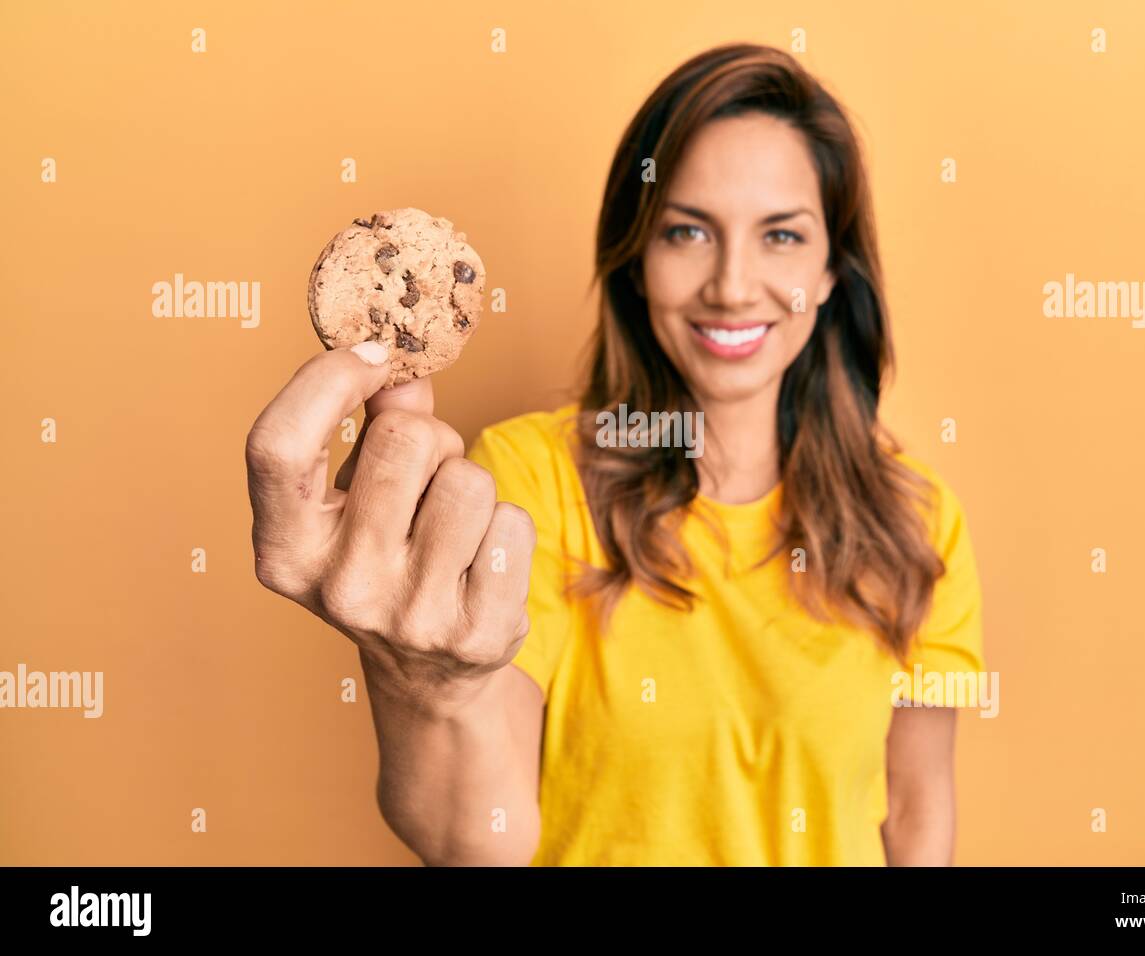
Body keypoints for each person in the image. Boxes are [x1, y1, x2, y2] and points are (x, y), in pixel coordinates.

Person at [244, 42, 985, 866]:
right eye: (687, 231)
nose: (734, 285)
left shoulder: (921, 521)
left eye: (781, 235)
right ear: (635, 260)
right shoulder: (529, 480)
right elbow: (477, 842)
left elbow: (918, 816)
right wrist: (422, 682)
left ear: (835, 270)